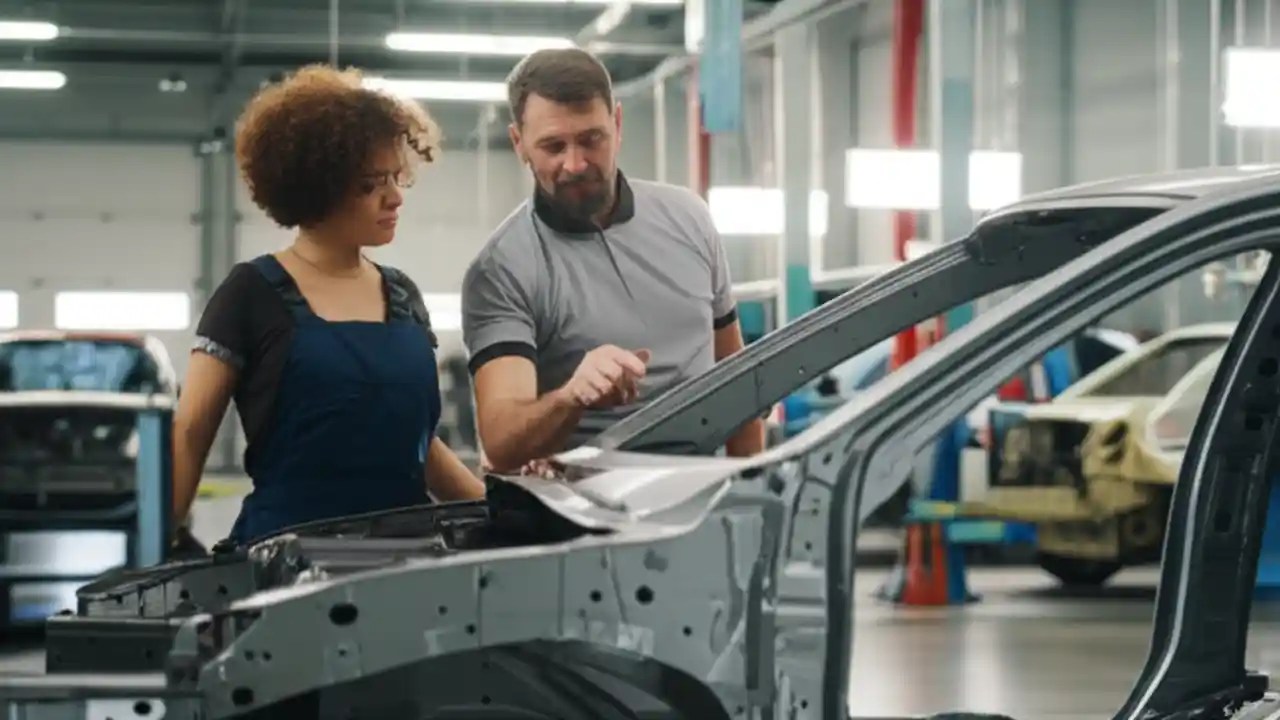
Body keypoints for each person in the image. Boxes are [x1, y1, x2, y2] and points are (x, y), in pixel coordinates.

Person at [171, 64, 486, 545]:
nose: (395, 197)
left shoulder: (402, 295)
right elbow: (190, 435)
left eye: (396, 177)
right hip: (286, 567)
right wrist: (162, 544)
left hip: (408, 563)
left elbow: (418, 447)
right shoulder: (250, 294)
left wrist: (497, 517)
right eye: (370, 184)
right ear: (317, 185)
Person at [461, 48, 766, 473]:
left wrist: (756, 499)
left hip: (703, 497)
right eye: (553, 146)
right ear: (519, 144)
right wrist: (571, 397)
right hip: (584, 518)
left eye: (591, 139)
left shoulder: (689, 218)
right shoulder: (502, 269)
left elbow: (738, 381)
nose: (575, 163)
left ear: (617, 125)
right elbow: (501, 443)